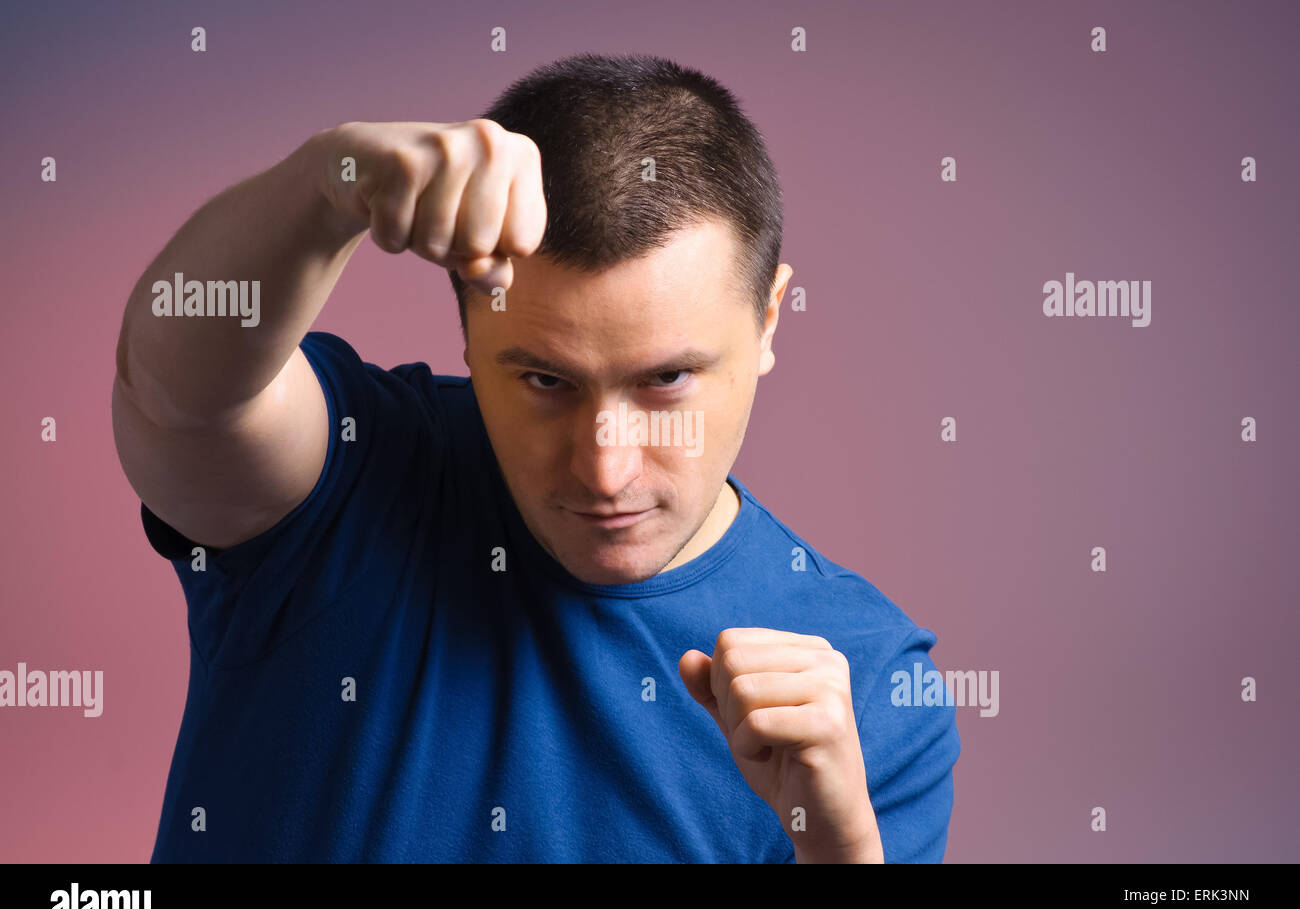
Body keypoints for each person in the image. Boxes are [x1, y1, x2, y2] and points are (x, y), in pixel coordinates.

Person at [112, 52, 960, 863]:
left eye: (667, 379)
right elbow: (177, 399)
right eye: (548, 380)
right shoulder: (357, 473)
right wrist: (326, 185)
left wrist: (840, 853)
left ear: (770, 320)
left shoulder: (869, 689)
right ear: (470, 332)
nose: (605, 469)